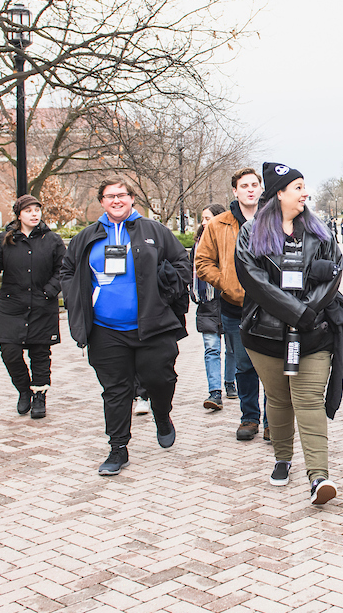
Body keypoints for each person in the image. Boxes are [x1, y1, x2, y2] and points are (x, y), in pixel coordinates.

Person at [235, 162, 343, 505]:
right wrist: (295, 312)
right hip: (265, 335)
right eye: (298, 187)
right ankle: (282, 457)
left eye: (304, 186)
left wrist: (307, 315)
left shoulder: (320, 232)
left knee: (308, 399)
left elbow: (334, 273)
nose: (305, 193)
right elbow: (252, 279)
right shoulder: (252, 233)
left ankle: (319, 476)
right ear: (279, 193)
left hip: (314, 333)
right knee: (278, 398)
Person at [61, 176, 191, 476]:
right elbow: (67, 270)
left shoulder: (154, 231)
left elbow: (182, 263)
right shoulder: (87, 236)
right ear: (102, 202)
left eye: (122, 195)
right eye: (109, 196)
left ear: (132, 198)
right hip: (106, 330)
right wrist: (79, 297)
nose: (116, 200)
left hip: (152, 326)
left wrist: (166, 287)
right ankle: (118, 448)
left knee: (161, 379)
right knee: (116, 390)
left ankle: (162, 414)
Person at [196, 168, 268, 441]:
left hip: (271, 307)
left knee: (272, 365)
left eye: (254, 184)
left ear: (260, 189)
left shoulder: (274, 220)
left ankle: (273, 420)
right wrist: (225, 283)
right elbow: (202, 262)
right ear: (235, 191)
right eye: (244, 185)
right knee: (244, 365)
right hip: (234, 306)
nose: (250, 189)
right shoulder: (218, 225)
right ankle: (249, 417)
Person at [0, 195, 65, 419]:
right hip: (12, 305)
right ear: (19, 214)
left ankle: (39, 396)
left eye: (37, 209)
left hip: (41, 305)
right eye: (29, 210)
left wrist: (49, 291)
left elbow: (63, 270)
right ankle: (24, 390)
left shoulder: (52, 240)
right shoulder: (6, 239)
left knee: (40, 353)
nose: (35, 214)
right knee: (9, 351)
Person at [190, 203, 227, 411]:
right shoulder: (197, 246)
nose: (204, 223)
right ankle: (215, 392)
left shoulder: (229, 241)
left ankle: (230, 383)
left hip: (228, 301)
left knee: (232, 349)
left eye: (208, 218)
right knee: (212, 348)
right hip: (206, 303)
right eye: (202, 219)